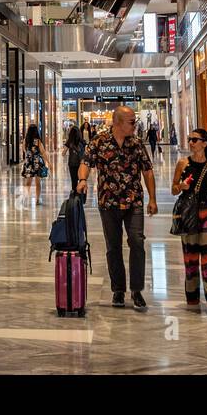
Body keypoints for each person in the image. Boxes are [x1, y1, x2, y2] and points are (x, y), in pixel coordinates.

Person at [77, 105, 156, 311]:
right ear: (119, 122)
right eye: (132, 122)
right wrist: (82, 179)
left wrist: (152, 199)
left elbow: (147, 171)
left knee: (137, 242)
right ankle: (118, 290)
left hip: (134, 202)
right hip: (108, 202)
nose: (135, 125)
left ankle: (137, 290)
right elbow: (86, 161)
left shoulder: (137, 143)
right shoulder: (99, 142)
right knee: (113, 247)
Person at [171, 128, 207, 315]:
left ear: (205, 143)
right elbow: (173, 189)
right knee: (191, 256)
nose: (191, 143)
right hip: (188, 214)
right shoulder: (182, 164)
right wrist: (181, 186)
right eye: (189, 140)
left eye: (195, 140)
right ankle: (192, 297)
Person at [21, 124, 50, 204]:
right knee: (38, 182)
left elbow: (24, 150)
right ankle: (37, 199)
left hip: (28, 162)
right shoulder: (37, 141)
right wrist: (48, 162)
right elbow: (43, 152)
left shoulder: (25, 140)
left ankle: (25, 198)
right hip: (37, 162)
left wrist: (29, 156)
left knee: (28, 182)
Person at [62, 124, 86, 195]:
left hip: (72, 164)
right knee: (81, 179)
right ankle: (81, 194)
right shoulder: (82, 142)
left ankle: (74, 195)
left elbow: (63, 153)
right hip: (81, 164)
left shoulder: (69, 142)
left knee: (74, 180)